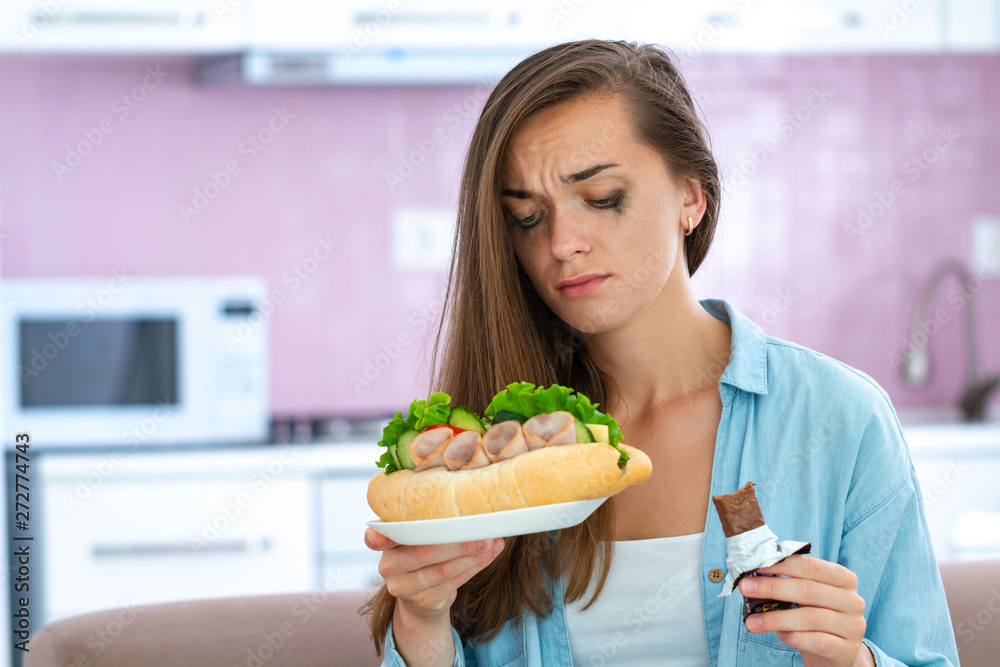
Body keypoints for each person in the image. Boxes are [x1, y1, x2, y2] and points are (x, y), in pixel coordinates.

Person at [362, 39, 959, 667]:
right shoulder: (489, 454)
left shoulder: (839, 417)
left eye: (602, 199)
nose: (563, 244)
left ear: (691, 197)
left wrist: (855, 660)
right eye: (529, 219)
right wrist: (421, 619)